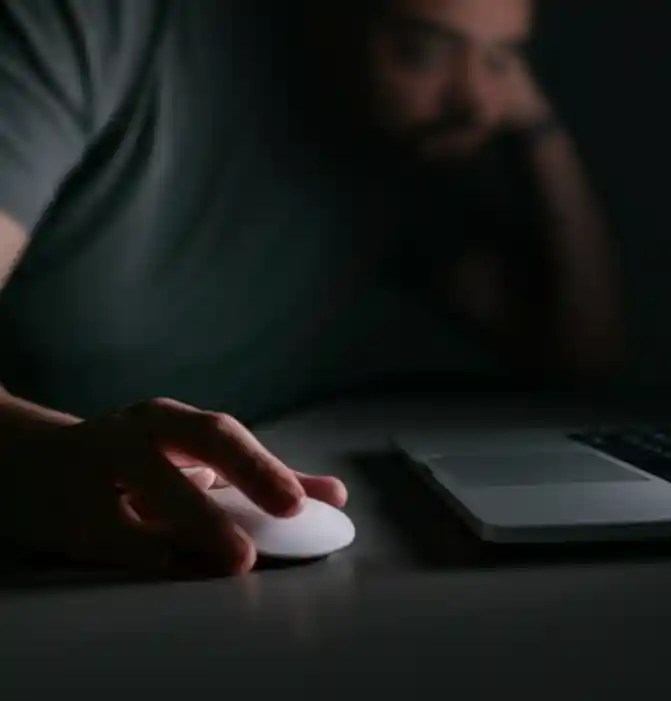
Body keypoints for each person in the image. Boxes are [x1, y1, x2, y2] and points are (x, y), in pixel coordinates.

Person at [0, 0, 623, 576]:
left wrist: (538, 129)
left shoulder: (426, 153)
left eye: (502, 59)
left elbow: (579, 362)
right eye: (423, 50)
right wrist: (33, 458)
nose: (478, 104)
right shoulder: (89, 28)